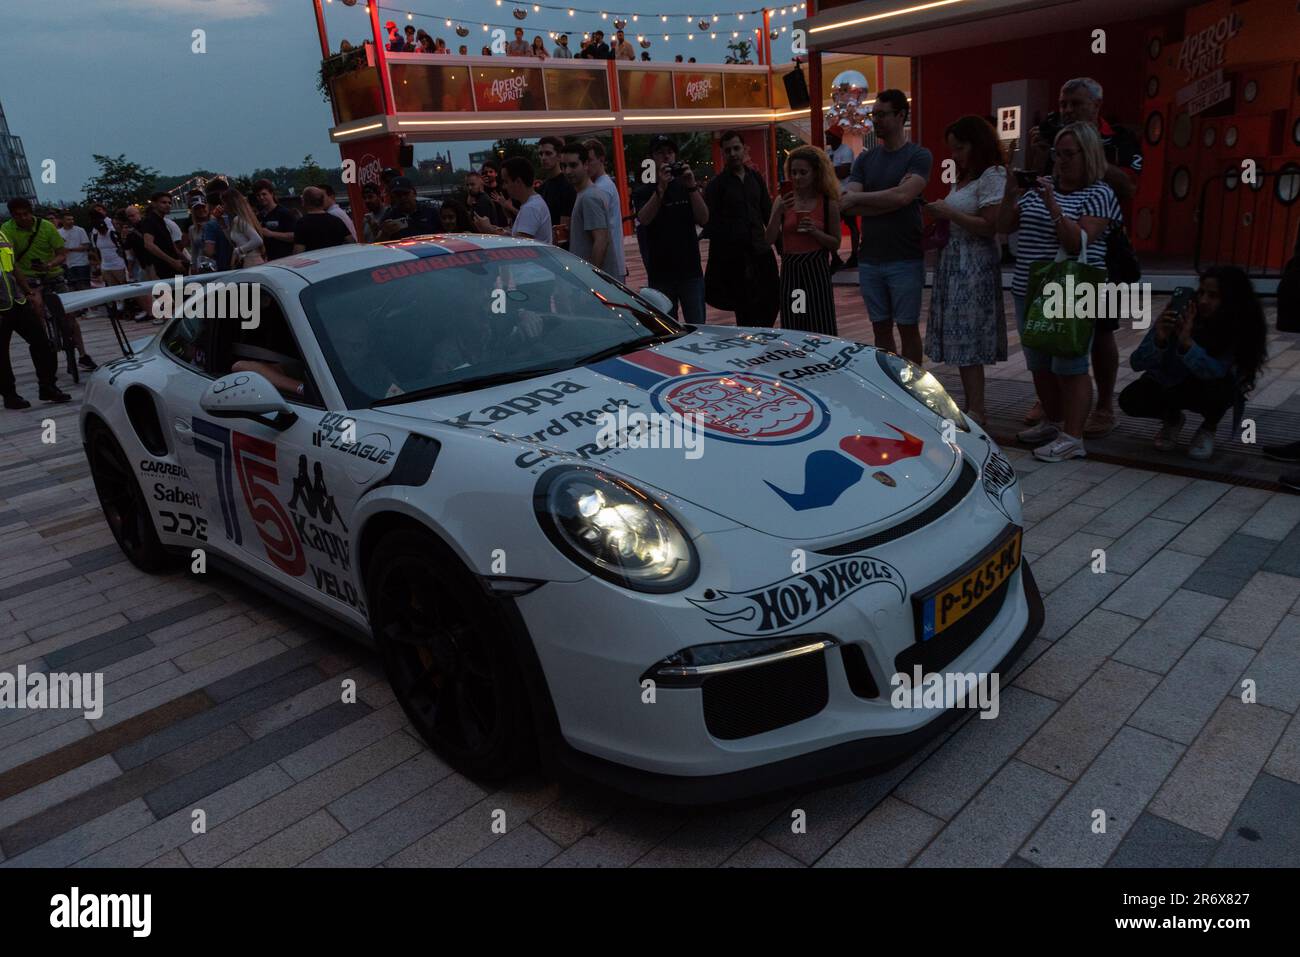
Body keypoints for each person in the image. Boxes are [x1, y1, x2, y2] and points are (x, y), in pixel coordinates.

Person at [995, 122, 1121, 463]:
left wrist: (1053, 204)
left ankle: (1074, 437)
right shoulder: (1039, 189)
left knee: (1071, 364)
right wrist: (1010, 194)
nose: (1061, 161)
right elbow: (1005, 227)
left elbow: (1075, 241)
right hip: (1028, 288)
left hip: (1071, 290)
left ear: (1089, 155)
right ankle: (1054, 422)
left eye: (1069, 155)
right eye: (1057, 154)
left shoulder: (1100, 193)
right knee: (1039, 364)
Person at [1024, 78, 1144, 439]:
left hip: (1105, 250)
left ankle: (1104, 405)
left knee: (1103, 330)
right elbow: (1038, 182)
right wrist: (1048, 151)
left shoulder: (1119, 139)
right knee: (1050, 334)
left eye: (1075, 103)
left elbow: (1130, 187)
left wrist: (1089, 153)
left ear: (1097, 105)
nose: (1067, 110)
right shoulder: (1057, 141)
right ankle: (1052, 406)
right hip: (1054, 254)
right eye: (1063, 104)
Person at [1120, 268, 1266, 462]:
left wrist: (1187, 344)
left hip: (1209, 387)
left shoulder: (1239, 327)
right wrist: (1160, 339)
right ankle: (1172, 419)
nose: (1204, 300)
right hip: (1171, 382)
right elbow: (1137, 363)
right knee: (1131, 399)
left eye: (1213, 296)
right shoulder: (1181, 312)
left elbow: (1215, 372)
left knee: (1222, 389)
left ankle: (1208, 427)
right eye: (1202, 293)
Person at [923, 116, 1008, 427]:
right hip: (954, 263)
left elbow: (991, 226)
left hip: (973, 266)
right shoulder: (967, 176)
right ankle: (973, 405)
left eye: (959, 148)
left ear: (977, 145)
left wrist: (949, 212)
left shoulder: (993, 176)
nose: (954, 155)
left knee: (970, 339)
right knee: (961, 340)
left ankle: (977, 409)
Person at [839, 89, 932, 364]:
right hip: (870, 259)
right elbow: (848, 204)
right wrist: (892, 198)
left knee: (907, 328)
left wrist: (862, 198)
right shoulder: (866, 159)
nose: (875, 121)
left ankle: (913, 388)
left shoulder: (918, 155)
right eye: (873, 115)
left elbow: (904, 196)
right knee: (880, 329)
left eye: (881, 115)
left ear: (900, 115)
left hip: (905, 257)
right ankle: (892, 384)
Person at [1, 198, 96, 371]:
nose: (22, 218)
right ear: (12, 216)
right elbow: (11, 263)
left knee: (69, 315)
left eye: (25, 214)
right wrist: (27, 290)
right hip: (27, 276)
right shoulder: (7, 230)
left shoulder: (46, 226)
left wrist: (50, 264)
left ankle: (82, 354)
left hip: (52, 273)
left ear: (31, 213)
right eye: (17, 215)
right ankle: (45, 346)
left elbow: (62, 253)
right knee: (36, 310)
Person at [704, 130, 780, 328]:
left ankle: (765, 339)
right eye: (728, 150)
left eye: (736, 148)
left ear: (744, 149)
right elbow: (712, 223)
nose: (733, 153)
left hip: (761, 251)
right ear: (723, 154)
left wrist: (780, 245)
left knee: (772, 301)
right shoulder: (716, 186)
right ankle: (752, 350)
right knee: (745, 310)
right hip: (736, 258)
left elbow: (767, 212)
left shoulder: (755, 178)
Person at [632, 135, 708, 325]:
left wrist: (692, 187)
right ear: (652, 158)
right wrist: (660, 189)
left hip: (690, 271)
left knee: (697, 326)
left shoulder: (685, 185)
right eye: (660, 153)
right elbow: (644, 219)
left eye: (670, 152)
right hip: (660, 274)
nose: (666, 157)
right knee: (667, 328)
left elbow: (704, 218)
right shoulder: (644, 189)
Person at [765, 145, 841, 335]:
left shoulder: (827, 202)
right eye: (793, 173)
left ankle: (823, 362)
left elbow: (835, 243)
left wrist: (815, 231)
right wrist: (778, 213)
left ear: (816, 173)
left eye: (803, 172)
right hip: (792, 269)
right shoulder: (784, 200)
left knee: (820, 322)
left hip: (816, 267)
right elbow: (768, 239)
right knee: (795, 321)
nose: (797, 178)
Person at [1, 231, 69, 408]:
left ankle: (48, 386)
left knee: (42, 342)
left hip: (16, 300)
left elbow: (13, 266)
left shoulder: (2, 235)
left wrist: (27, 291)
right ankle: (10, 395)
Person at [560, 141, 619, 275]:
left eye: (573, 165)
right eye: (564, 166)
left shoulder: (589, 197)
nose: (567, 171)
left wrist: (591, 278)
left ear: (586, 164)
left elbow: (601, 240)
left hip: (596, 283)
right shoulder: (585, 194)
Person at [582, 138, 626, 281]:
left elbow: (601, 237)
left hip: (607, 268)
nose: (586, 166)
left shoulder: (601, 190)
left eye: (590, 160)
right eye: (584, 162)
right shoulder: (606, 186)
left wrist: (592, 274)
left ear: (601, 159)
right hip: (613, 265)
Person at [824, 125, 857, 270]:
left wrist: (828, 170)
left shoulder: (846, 150)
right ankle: (835, 257)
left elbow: (843, 172)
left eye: (829, 135)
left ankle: (855, 255)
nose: (827, 137)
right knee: (830, 227)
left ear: (837, 137)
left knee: (852, 225)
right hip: (832, 195)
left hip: (845, 194)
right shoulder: (828, 152)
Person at [536, 135, 576, 246]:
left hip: (560, 251)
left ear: (559, 156)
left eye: (548, 153)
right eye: (541, 154)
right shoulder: (542, 187)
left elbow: (563, 231)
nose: (543, 158)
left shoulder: (567, 186)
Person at [293, 187, 354, 252]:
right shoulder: (336, 220)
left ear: (304, 202)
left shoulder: (302, 224)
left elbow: (299, 251)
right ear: (322, 201)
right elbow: (351, 242)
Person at [252, 179, 299, 260]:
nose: (261, 197)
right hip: (268, 260)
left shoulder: (284, 213)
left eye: (264, 194)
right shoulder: (259, 216)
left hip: (285, 258)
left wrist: (272, 234)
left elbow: (294, 236)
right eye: (258, 195)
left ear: (271, 193)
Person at [220, 189, 267, 267]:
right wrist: (222, 225)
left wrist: (238, 250)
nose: (222, 206)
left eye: (223, 203)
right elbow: (235, 240)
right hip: (251, 262)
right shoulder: (240, 219)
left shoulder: (239, 220)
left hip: (251, 263)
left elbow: (257, 240)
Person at [57, 213, 92, 290]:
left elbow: (86, 246)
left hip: (81, 263)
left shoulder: (80, 230)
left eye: (72, 219)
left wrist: (70, 249)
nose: (71, 221)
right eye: (68, 219)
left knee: (84, 287)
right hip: (67, 264)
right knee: (72, 288)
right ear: (62, 221)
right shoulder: (58, 232)